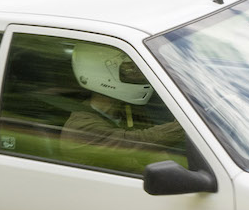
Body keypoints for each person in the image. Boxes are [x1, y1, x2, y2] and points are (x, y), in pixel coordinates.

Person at [58, 43, 190, 168]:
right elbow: (138, 142)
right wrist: (188, 125)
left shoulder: (126, 110)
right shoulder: (81, 128)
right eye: (129, 69)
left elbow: (156, 156)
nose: (139, 75)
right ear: (103, 74)